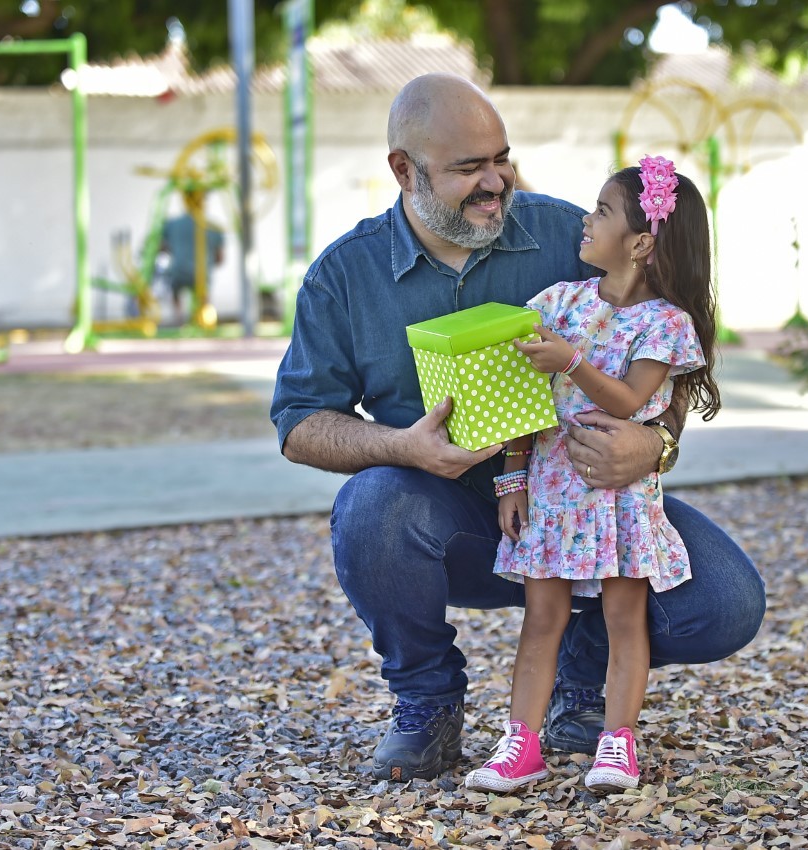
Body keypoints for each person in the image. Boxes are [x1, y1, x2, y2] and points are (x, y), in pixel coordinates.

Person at [270, 73, 765, 783]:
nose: (495, 181)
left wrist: (655, 444)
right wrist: (401, 447)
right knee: (373, 506)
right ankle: (427, 704)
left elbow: (663, 354)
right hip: (446, 520)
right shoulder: (343, 276)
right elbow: (298, 423)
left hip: (590, 495)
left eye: (501, 158)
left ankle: (581, 686)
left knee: (727, 604)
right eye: (469, 168)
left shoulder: (571, 236)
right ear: (404, 170)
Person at [464, 157, 719, 794]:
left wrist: (571, 360)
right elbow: (523, 401)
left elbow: (630, 401)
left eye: (602, 211)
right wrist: (512, 475)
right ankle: (521, 744)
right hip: (552, 492)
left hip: (619, 498)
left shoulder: (665, 324)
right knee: (541, 618)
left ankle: (618, 742)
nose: (586, 219)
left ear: (640, 243)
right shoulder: (556, 304)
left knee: (622, 619)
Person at [159, 213, 224, 324]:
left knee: (175, 291)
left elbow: (162, 247)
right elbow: (219, 259)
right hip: (202, 274)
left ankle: (179, 319)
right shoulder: (213, 227)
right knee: (203, 293)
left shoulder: (172, 224)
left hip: (177, 273)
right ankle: (205, 319)